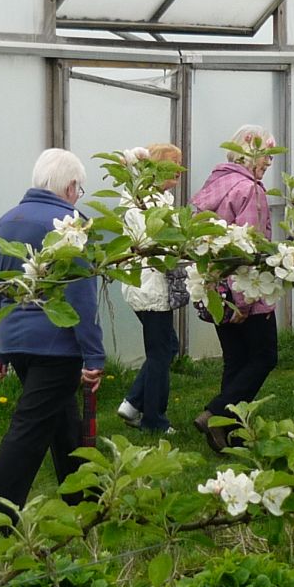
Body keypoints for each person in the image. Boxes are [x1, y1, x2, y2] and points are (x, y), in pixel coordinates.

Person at [0, 149, 106, 512]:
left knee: (63, 420)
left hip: (16, 339)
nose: (77, 196)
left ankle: (83, 497)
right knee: (30, 427)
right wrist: (94, 355)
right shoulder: (71, 226)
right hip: (56, 344)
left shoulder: (6, 222)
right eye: (79, 190)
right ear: (70, 186)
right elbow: (81, 297)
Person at [192, 126, 278, 452]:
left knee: (236, 360)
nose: (269, 162)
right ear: (251, 154)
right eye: (266, 156)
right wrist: (244, 301)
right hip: (245, 290)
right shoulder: (250, 190)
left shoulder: (213, 185)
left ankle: (228, 434)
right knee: (264, 356)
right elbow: (247, 249)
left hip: (215, 289)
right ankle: (216, 413)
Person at [116, 143, 189, 435]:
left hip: (148, 284)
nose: (179, 171)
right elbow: (151, 242)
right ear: (154, 167)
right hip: (150, 285)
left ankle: (133, 403)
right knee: (160, 353)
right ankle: (154, 420)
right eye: (172, 164)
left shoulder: (157, 198)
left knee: (167, 346)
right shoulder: (141, 201)